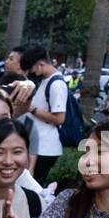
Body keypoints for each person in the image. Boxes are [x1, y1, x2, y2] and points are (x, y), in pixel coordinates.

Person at [21, 44, 69, 183]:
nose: (31, 72)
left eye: (31, 68)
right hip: (38, 145)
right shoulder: (44, 80)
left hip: (46, 147)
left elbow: (60, 118)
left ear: (40, 64)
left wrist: (32, 109)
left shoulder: (56, 84)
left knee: (34, 185)